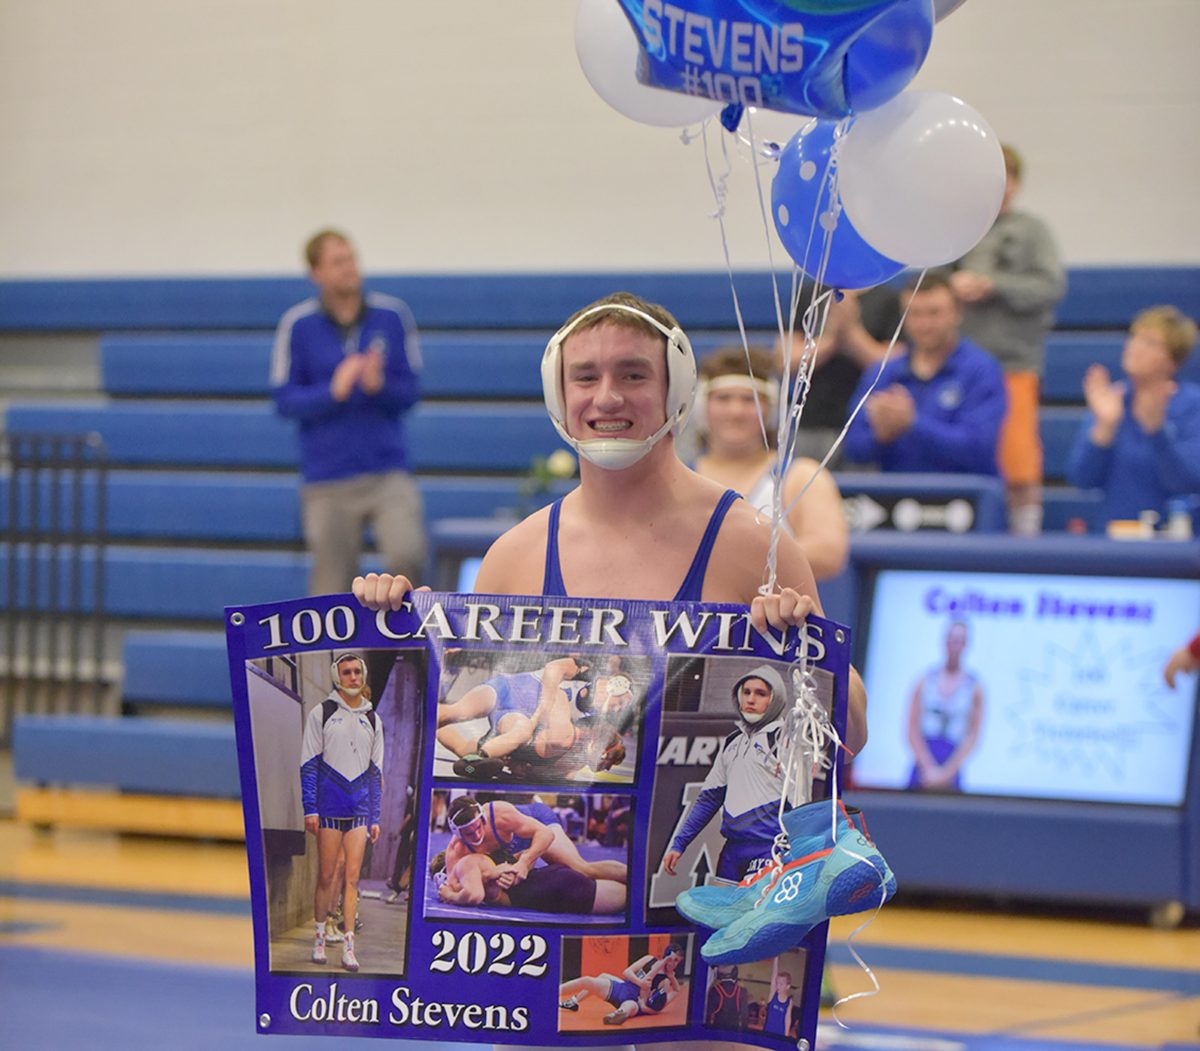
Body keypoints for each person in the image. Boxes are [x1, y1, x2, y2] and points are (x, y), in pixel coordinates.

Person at [354, 289, 869, 1051]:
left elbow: (850, 730)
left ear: (675, 390)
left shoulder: (747, 540)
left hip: (701, 925)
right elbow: (438, 730)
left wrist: (801, 655)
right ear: (556, 394)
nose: (607, 397)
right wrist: (388, 628)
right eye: (585, 376)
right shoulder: (518, 553)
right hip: (548, 956)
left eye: (633, 373)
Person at [270, 229, 425, 596]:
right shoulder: (298, 325)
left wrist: (379, 387)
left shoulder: (391, 315)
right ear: (315, 273)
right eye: (337, 262)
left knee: (409, 555)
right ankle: (339, 656)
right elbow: (284, 401)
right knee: (331, 587)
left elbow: (411, 392)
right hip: (328, 477)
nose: (349, 268)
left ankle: (414, 652)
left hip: (387, 470)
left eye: (351, 258)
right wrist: (333, 392)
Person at [952, 143, 1066, 535]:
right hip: (962, 369)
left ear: (1015, 185)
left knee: (1018, 460)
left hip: (1012, 363)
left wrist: (993, 285)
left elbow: (1049, 287)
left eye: (1005, 179)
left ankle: (1025, 537)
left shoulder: (1032, 232)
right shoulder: (959, 230)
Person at [694, 346, 849, 580]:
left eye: (750, 400)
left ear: (772, 409)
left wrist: (727, 559)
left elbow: (828, 554)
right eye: (723, 398)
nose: (736, 411)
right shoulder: (674, 474)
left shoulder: (800, 477)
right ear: (701, 407)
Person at [842, 274, 1007, 476]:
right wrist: (880, 435)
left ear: (957, 313)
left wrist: (912, 423)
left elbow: (978, 447)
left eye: (934, 313)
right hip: (895, 494)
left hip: (964, 494)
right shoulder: (884, 372)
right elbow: (853, 446)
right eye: (914, 314)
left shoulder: (980, 370)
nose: (924, 324)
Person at [1066, 305, 1200, 533]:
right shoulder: (1112, 401)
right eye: (1134, 337)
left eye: (1149, 343)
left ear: (1172, 360)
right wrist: (1104, 428)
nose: (1134, 347)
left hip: (1176, 541)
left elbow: (1188, 481)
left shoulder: (1192, 405)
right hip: (1117, 540)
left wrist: (1157, 433)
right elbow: (1082, 479)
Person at [662, 665, 794, 883]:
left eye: (760, 693)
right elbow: (709, 799)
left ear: (776, 699)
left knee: (755, 916)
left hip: (770, 850)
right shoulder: (732, 741)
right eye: (746, 692)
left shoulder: (787, 740)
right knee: (723, 917)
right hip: (732, 852)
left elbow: (802, 803)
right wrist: (679, 844)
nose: (750, 700)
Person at [301, 652, 383, 972]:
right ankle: (320, 936)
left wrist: (375, 816)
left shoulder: (374, 719)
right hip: (329, 808)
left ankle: (349, 946)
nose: (353, 677)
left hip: (360, 811)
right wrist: (311, 809)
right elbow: (308, 764)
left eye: (357, 671)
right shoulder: (321, 713)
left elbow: (376, 772)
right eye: (347, 672)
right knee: (326, 875)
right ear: (338, 677)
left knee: (352, 878)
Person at [775, 285, 902, 468]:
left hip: (863, 428)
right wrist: (831, 337)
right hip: (810, 424)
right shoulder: (809, 294)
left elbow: (892, 365)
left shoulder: (888, 298)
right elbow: (785, 361)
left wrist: (851, 332)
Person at [443, 795, 628, 886]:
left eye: (478, 827)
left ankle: (638, 883)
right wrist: (491, 874)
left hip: (538, 824)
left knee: (582, 870)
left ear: (482, 817)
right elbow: (452, 888)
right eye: (469, 834)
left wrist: (525, 861)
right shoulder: (456, 850)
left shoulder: (498, 814)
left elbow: (545, 834)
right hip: (514, 851)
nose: (476, 836)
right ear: (457, 834)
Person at [907, 621, 985, 792]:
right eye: (951, 640)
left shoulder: (974, 687)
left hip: (952, 764)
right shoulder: (925, 681)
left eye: (959, 641)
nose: (954, 646)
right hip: (923, 765)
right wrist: (928, 768)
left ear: (965, 644)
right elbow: (911, 729)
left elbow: (973, 735)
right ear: (944, 641)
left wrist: (946, 773)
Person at [431, 850, 625, 916]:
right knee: (588, 869)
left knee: (630, 897)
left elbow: (474, 896)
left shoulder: (471, 870)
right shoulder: (483, 862)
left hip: (561, 889)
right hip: (550, 877)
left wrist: (451, 895)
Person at [559, 943, 683, 1025]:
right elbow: (626, 972)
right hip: (624, 987)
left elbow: (655, 1006)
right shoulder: (649, 959)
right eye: (672, 959)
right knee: (587, 980)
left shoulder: (665, 981)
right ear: (665, 957)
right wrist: (640, 982)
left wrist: (644, 1006)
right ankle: (563, 996)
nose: (674, 963)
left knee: (628, 1007)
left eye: (677, 961)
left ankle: (614, 1016)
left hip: (634, 1001)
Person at [704, 964, 749, 1030]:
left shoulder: (714, 990)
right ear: (735, 973)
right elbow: (744, 1016)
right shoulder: (742, 991)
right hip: (734, 1033)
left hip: (717, 1031)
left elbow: (708, 1015)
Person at [762, 970, 795, 1037]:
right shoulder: (772, 996)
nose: (778, 986)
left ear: (788, 986)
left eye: (781, 984)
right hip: (768, 1032)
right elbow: (773, 977)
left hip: (780, 1034)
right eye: (777, 983)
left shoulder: (789, 1001)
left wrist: (786, 1035)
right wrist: (776, 959)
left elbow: (788, 1019)